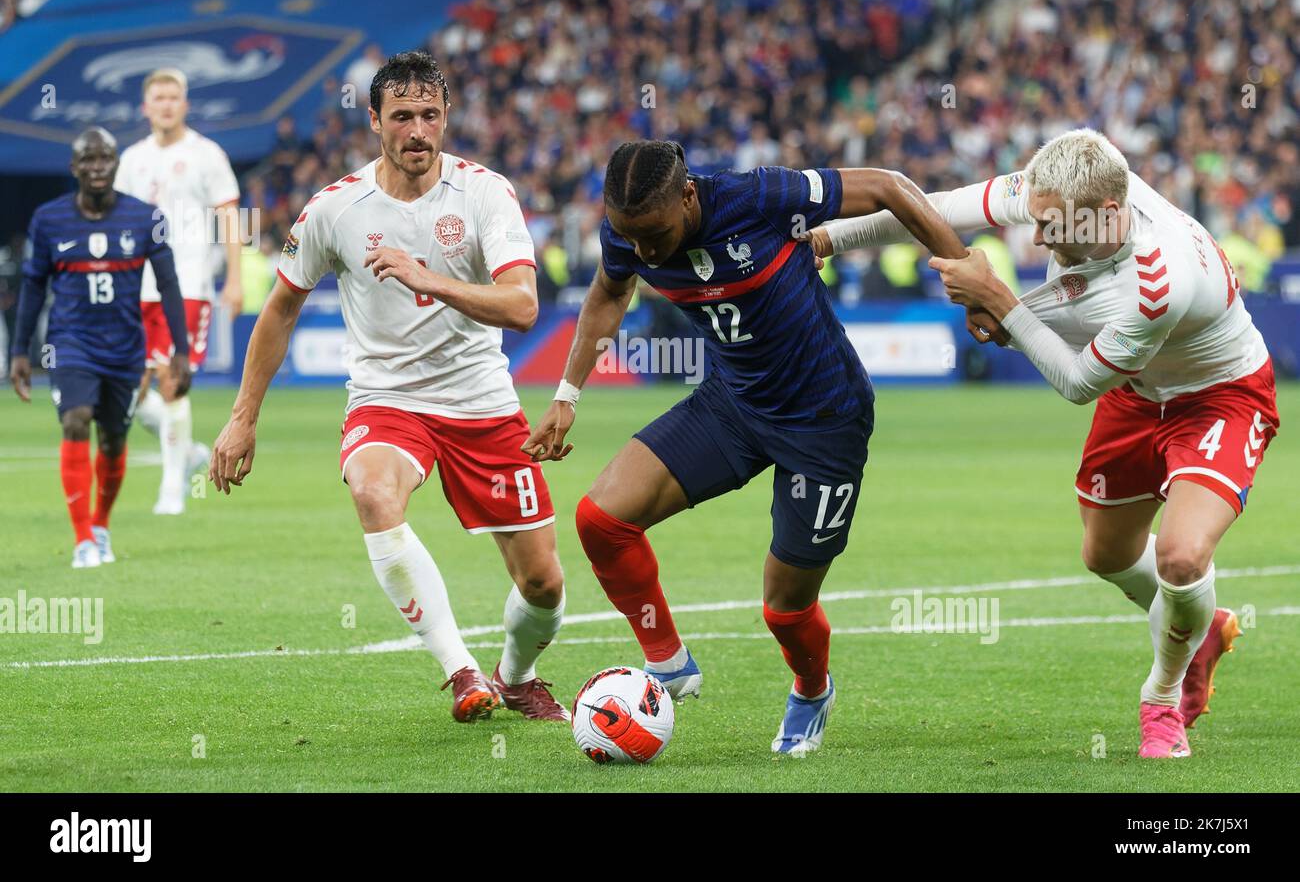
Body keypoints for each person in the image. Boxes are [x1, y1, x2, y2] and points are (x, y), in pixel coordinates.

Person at [819, 129, 1277, 758]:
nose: (1038, 240)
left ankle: (1163, 697)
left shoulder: (1158, 282)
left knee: (1179, 557)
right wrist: (825, 238)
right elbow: (934, 209)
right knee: (1106, 556)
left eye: (1053, 229)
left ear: (1109, 216)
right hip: (1136, 391)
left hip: (1218, 395)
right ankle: (1203, 625)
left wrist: (999, 302)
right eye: (1037, 221)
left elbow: (1077, 381)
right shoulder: (1069, 186)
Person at [523, 140, 970, 755]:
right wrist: (567, 395)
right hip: (734, 403)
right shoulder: (626, 232)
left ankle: (812, 691)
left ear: (687, 195)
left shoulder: (759, 197)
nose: (646, 251)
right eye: (633, 236)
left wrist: (964, 269)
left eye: (656, 234)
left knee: (785, 608)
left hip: (824, 419)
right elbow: (608, 292)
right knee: (601, 519)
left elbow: (890, 186)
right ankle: (669, 661)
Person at [209, 51, 569, 724]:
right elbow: (281, 306)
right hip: (388, 398)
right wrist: (242, 416)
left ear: (446, 118)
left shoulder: (486, 193)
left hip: (482, 402)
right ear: (374, 120)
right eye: (402, 116)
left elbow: (523, 306)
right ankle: (462, 672)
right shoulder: (335, 209)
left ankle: (516, 676)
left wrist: (428, 278)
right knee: (373, 490)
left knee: (544, 585)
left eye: (429, 115)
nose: (417, 131)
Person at [8, 127, 191, 568]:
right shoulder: (49, 219)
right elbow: (33, 286)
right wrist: (18, 351)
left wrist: (180, 351)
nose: (96, 167)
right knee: (75, 420)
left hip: (125, 348)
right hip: (71, 343)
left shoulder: (145, 218)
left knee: (111, 442)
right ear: (74, 168)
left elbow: (168, 284)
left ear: (116, 165)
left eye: (104, 158)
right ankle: (82, 540)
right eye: (87, 160)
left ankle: (101, 526)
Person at [114, 68, 242, 515]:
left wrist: (236, 278)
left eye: (174, 97)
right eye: (158, 97)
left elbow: (230, 216)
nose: (166, 104)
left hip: (187, 281)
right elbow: (118, 225)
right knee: (126, 389)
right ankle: (187, 454)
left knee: (173, 382)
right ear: (145, 106)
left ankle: (171, 490)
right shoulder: (131, 159)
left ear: (184, 104)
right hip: (138, 287)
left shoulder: (207, 154)